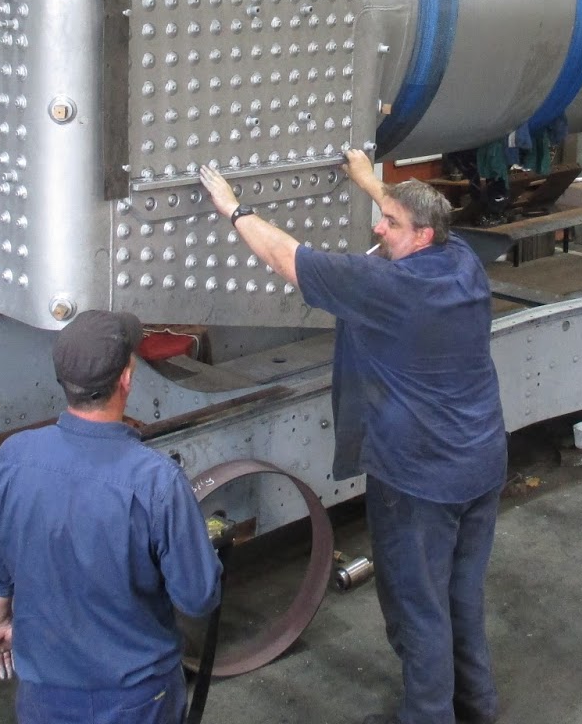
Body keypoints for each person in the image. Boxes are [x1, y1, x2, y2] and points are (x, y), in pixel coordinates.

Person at [199, 151, 506, 724]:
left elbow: (287, 257)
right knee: (462, 596)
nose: (378, 229)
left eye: (390, 223)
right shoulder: (461, 261)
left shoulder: (388, 288)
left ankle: (428, 717)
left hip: (419, 480)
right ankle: (477, 706)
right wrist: (368, 180)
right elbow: (408, 215)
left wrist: (234, 209)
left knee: (418, 608)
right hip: (481, 463)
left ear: (422, 235)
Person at [0, 309, 223, 724]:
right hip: (138, 698)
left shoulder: (12, 457)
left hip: (44, 695)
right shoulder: (157, 481)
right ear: (126, 378)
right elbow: (198, 597)